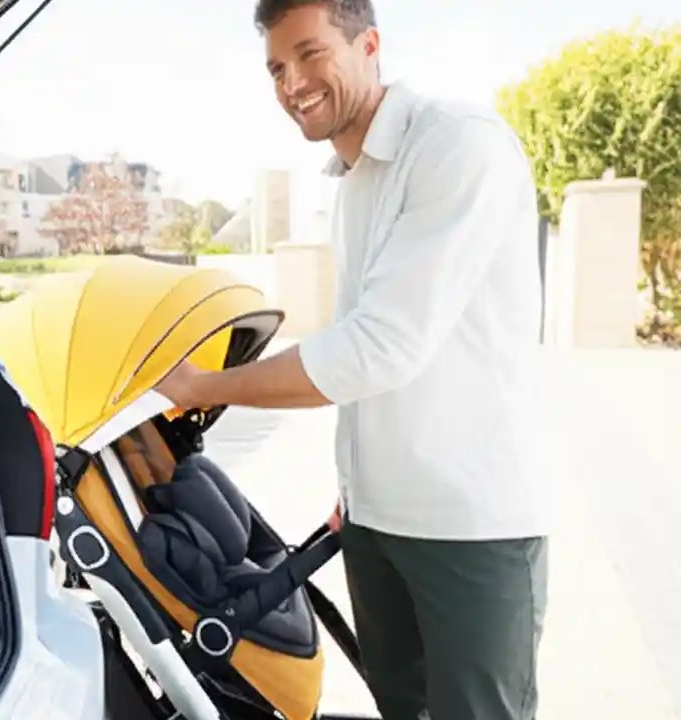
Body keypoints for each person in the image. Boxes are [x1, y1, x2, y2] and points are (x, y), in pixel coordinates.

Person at [153, 1, 549, 719]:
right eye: (276, 67)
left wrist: (205, 385)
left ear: (369, 44)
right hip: (375, 522)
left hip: (470, 528)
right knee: (403, 707)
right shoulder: (352, 179)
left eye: (310, 53)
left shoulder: (457, 147)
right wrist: (361, 488)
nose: (291, 82)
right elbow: (374, 349)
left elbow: (377, 351)